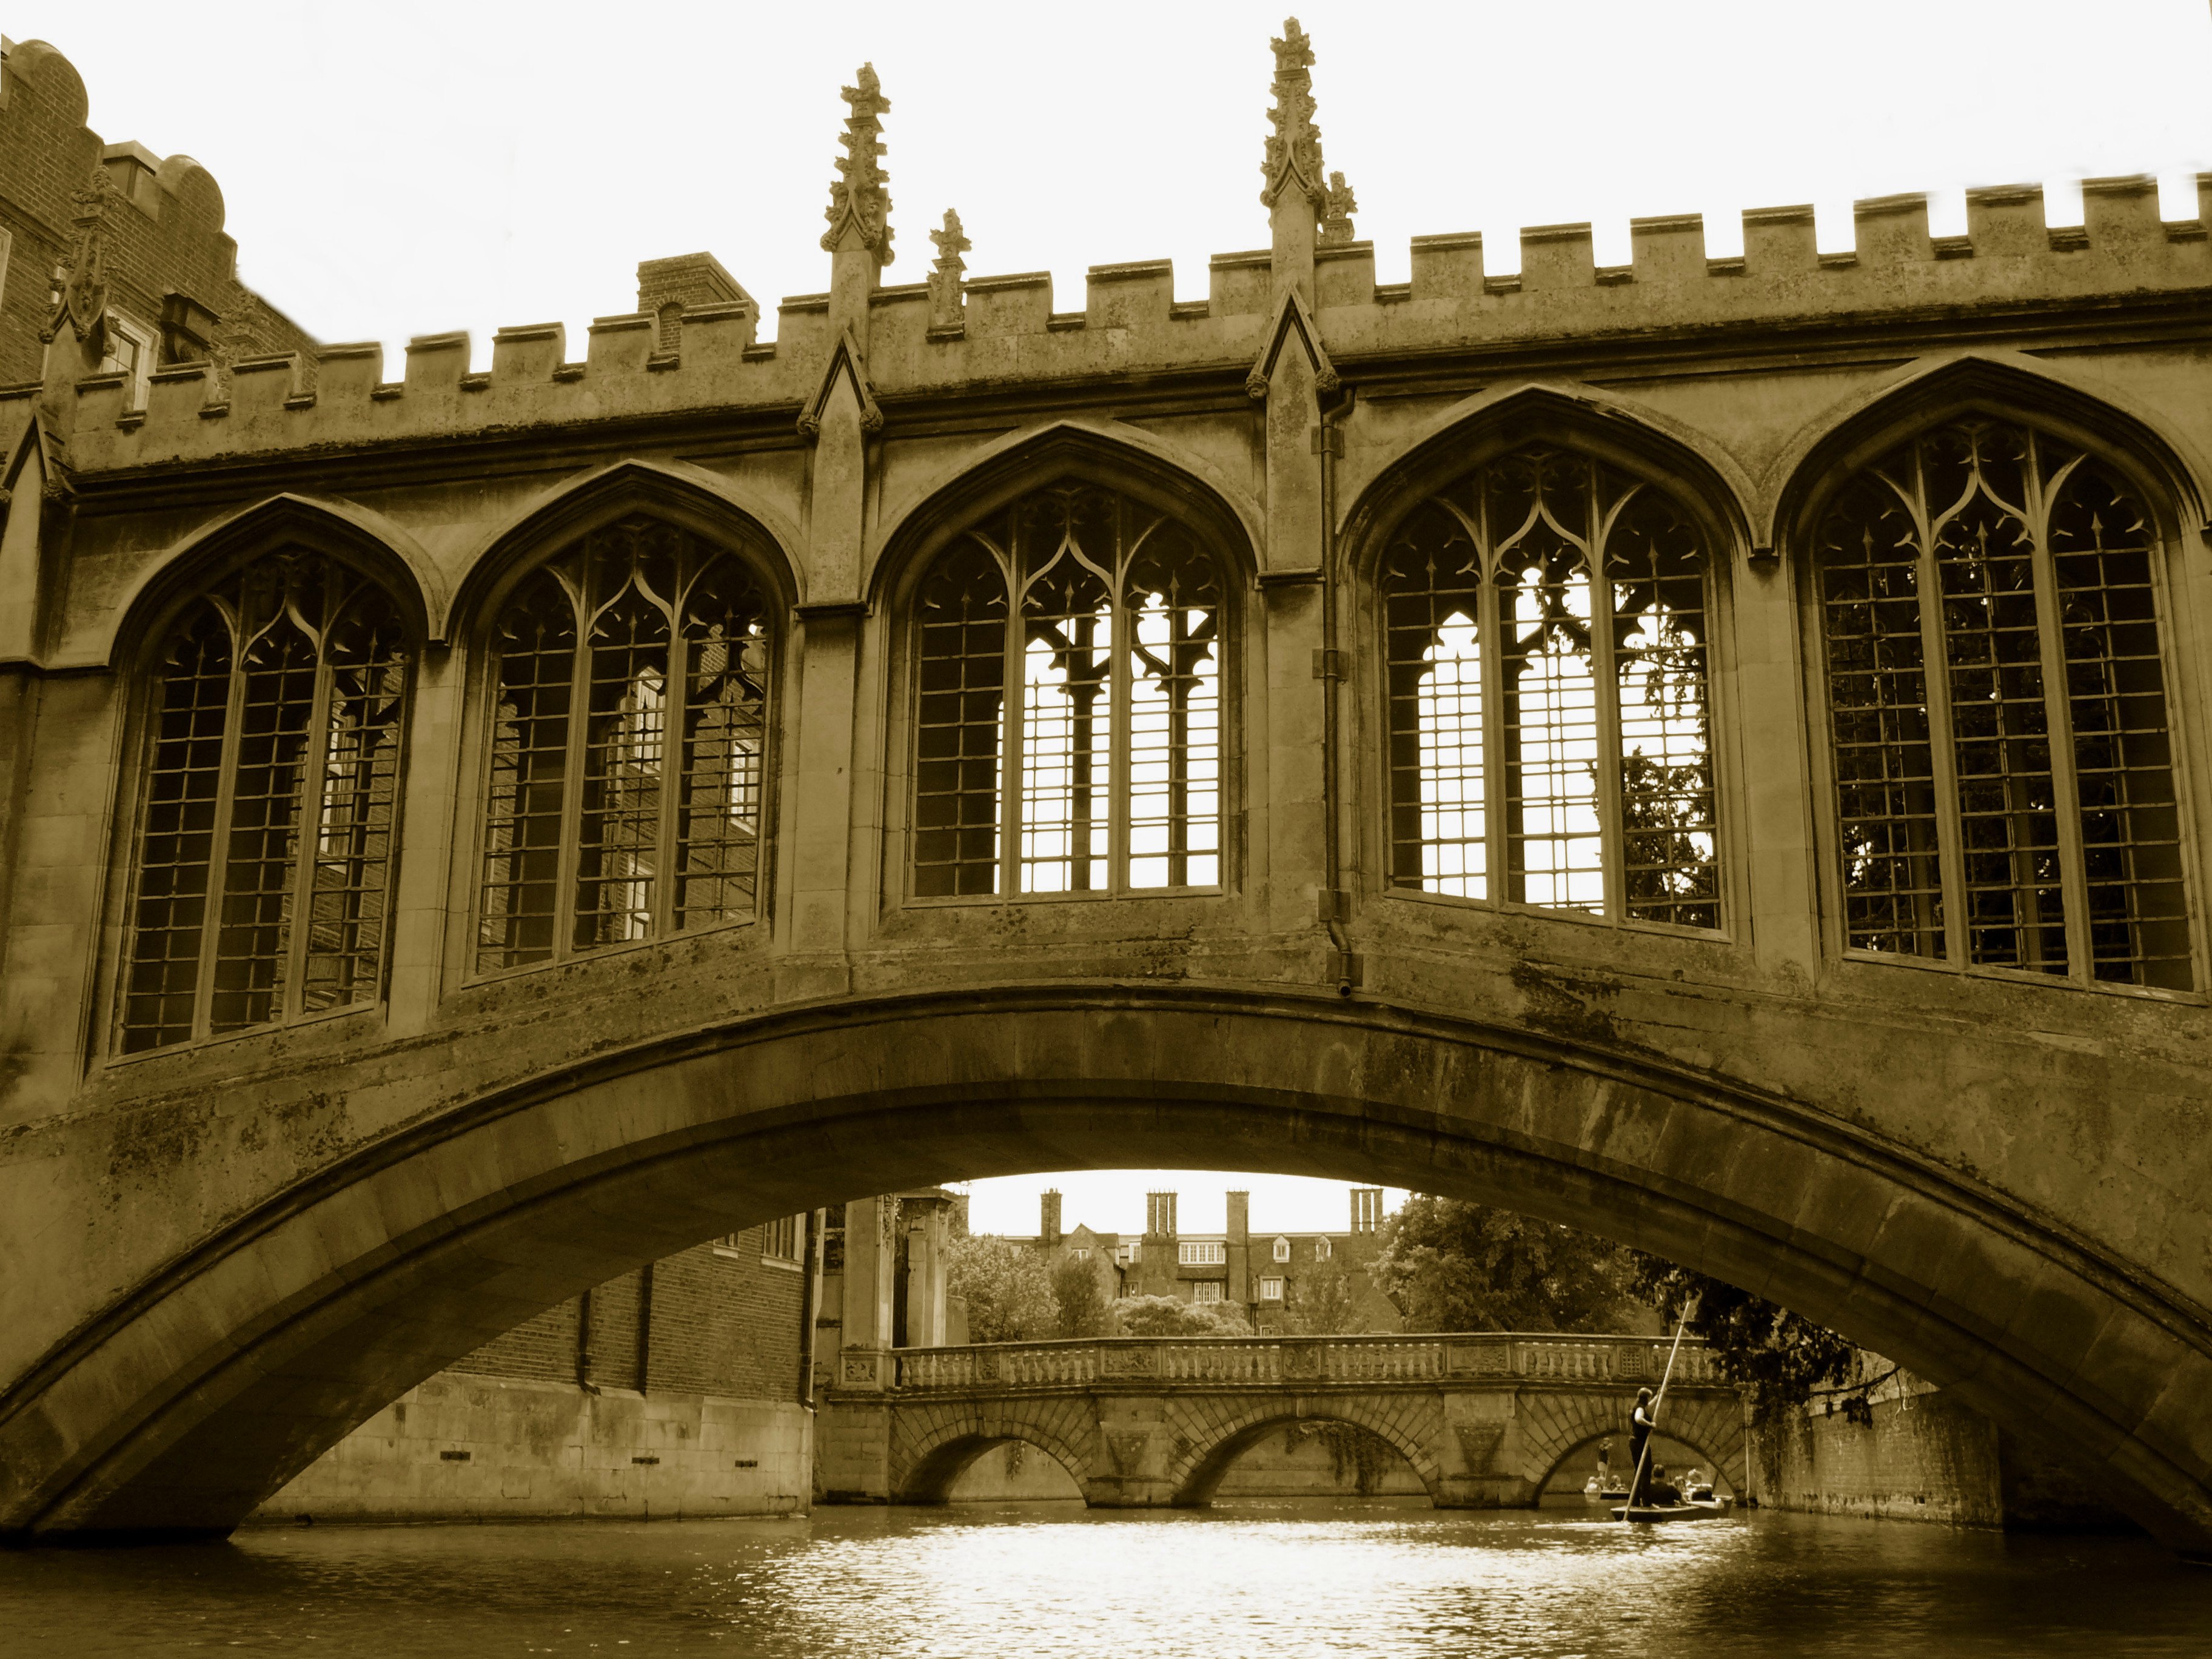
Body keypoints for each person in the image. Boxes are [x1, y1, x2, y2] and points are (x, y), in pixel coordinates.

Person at [1627, 1387, 1657, 1507]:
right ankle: (1647, 1503)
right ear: (1646, 1398)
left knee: (1638, 1472)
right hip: (1639, 1443)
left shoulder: (1639, 1406)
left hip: (1636, 1442)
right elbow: (1639, 1419)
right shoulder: (1640, 1409)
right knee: (1645, 1472)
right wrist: (1651, 1424)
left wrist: (1658, 1396)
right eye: (1649, 1397)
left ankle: (1634, 1502)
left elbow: (1648, 1407)